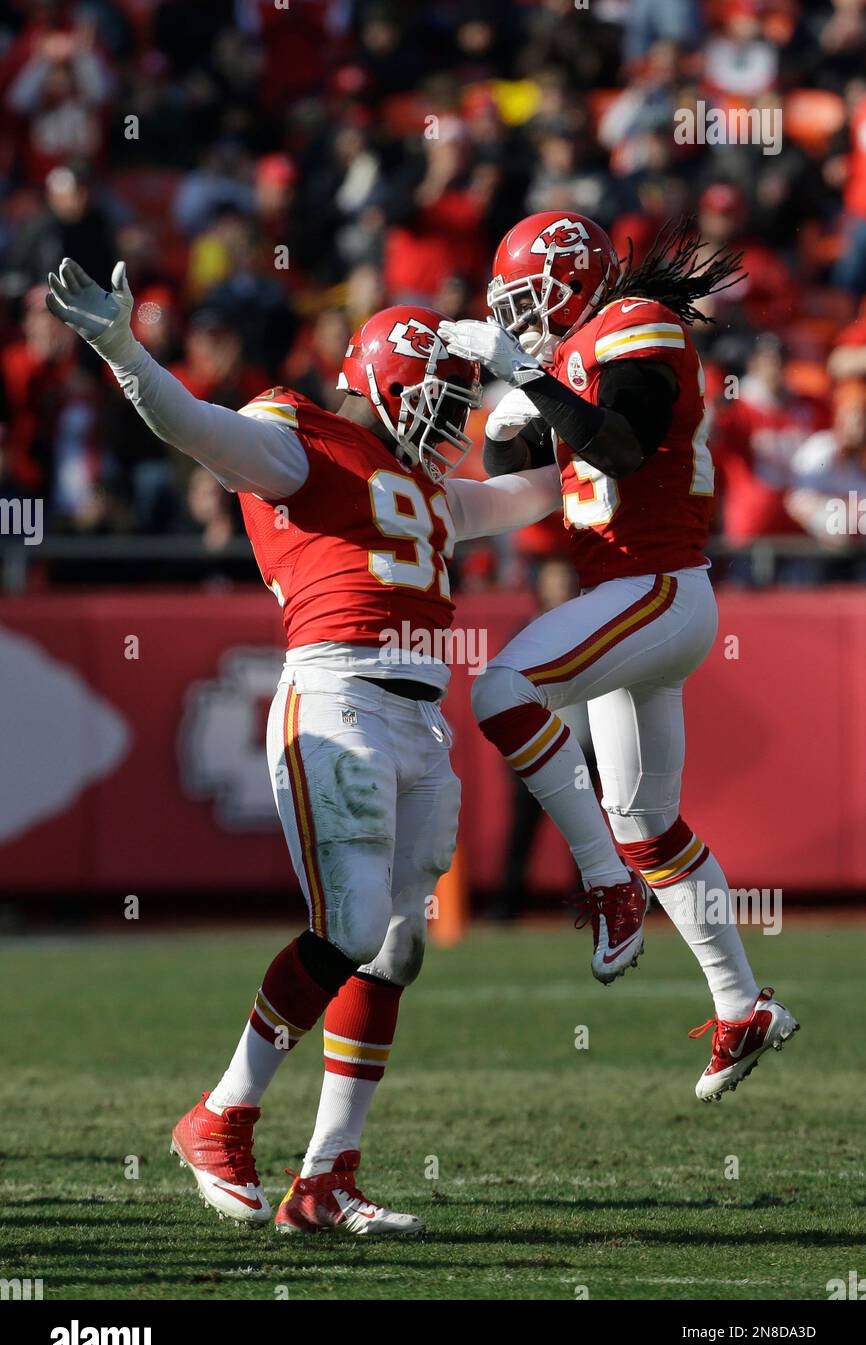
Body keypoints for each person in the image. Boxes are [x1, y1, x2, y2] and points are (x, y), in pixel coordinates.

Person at [46, 258, 561, 1233]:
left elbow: (533, 492)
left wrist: (599, 430)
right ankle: (220, 1112)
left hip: (418, 711)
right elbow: (189, 423)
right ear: (383, 383)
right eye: (439, 396)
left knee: (397, 945)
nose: (450, 418)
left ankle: (325, 1175)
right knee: (356, 924)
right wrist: (121, 348)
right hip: (339, 696)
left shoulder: (421, 483)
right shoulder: (296, 439)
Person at [440, 210, 799, 1102]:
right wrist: (510, 417)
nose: (523, 320)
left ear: (569, 280)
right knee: (647, 822)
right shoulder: (580, 350)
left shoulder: (634, 324)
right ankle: (742, 1003)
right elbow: (532, 476)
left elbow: (626, 447)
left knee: (502, 690)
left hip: (656, 587)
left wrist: (530, 375)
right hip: (639, 597)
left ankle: (606, 885)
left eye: (528, 300)